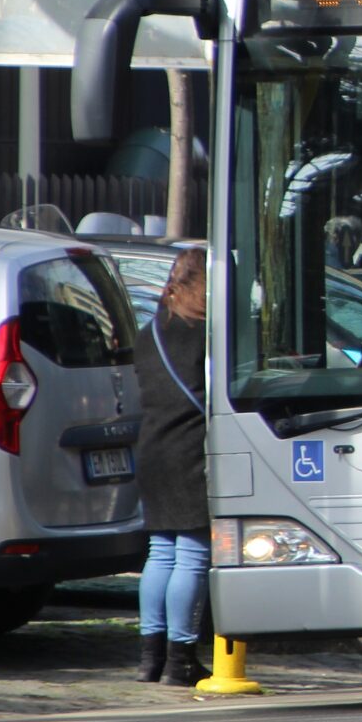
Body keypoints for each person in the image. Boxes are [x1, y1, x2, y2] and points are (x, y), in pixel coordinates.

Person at [130, 246, 212, 686]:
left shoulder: (150, 332)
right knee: (194, 557)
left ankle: (151, 658)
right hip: (190, 453)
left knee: (160, 553)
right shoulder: (206, 335)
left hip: (152, 450)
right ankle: (181, 660)